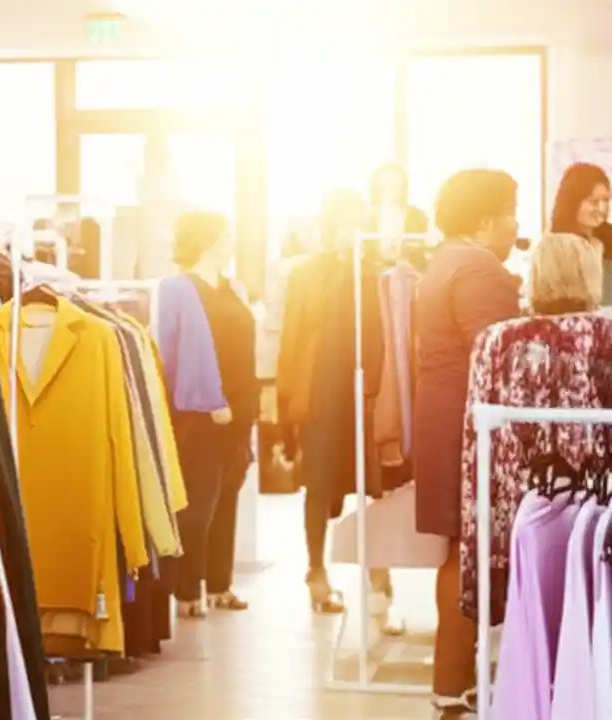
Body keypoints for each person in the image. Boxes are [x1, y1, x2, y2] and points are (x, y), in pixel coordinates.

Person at [411, 169, 521, 716]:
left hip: (439, 415)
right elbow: (495, 360)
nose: (516, 224)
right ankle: (453, 682)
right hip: (469, 423)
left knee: (458, 548)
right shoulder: (480, 269)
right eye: (511, 211)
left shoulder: (442, 263)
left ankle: (453, 679)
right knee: (469, 550)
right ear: (485, 219)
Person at [155, 211, 259, 617]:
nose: (231, 241)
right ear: (208, 240)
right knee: (198, 503)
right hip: (199, 411)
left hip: (239, 406)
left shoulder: (234, 288)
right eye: (226, 234)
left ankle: (220, 584)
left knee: (229, 495)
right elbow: (170, 352)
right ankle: (187, 589)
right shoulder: (177, 289)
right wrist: (208, 400)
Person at [276, 188, 373, 614]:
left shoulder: (372, 272)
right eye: (344, 223)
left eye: (357, 223)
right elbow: (292, 338)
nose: (350, 232)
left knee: (370, 485)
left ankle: (377, 573)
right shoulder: (307, 273)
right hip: (318, 389)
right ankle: (316, 569)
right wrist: (283, 413)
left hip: (363, 389)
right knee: (317, 484)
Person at [549, 162, 612, 316]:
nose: (602, 209)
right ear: (573, 202)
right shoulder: (553, 250)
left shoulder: (611, 246)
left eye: (606, 201)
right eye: (594, 202)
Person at [369, 162, 429, 240]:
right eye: (385, 186)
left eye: (396, 186)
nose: (390, 190)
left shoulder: (418, 216)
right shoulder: (367, 218)